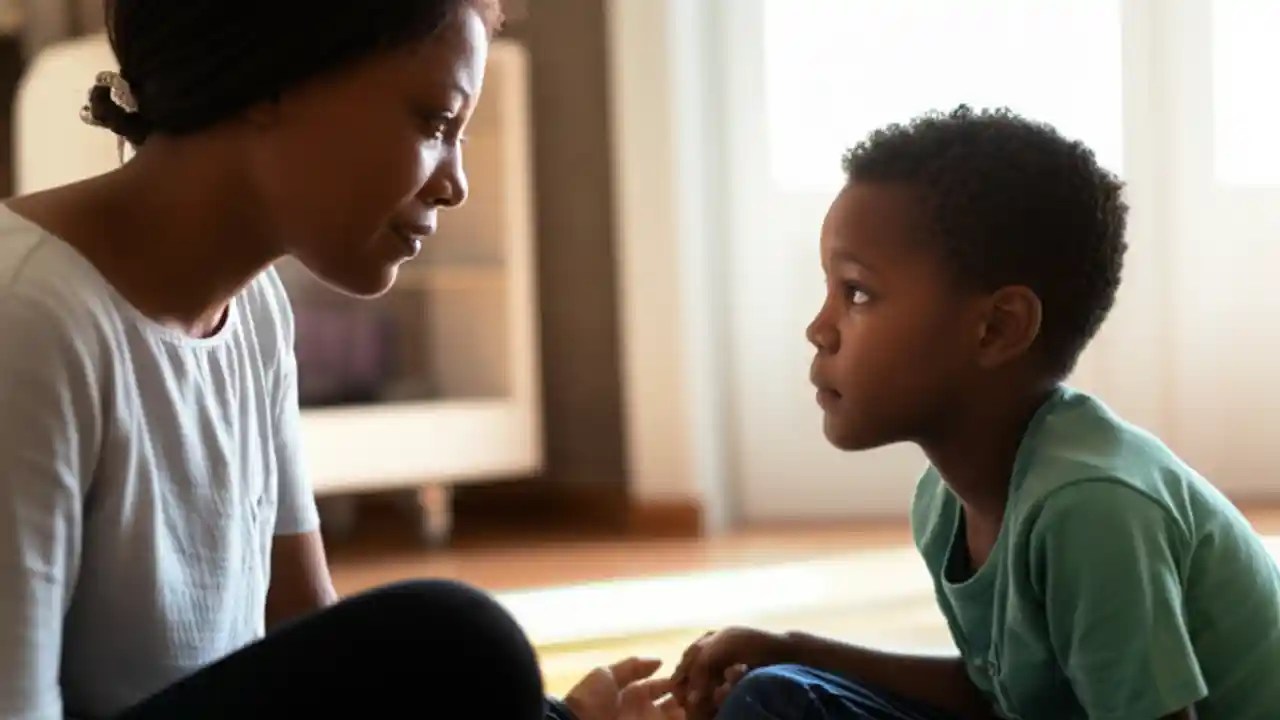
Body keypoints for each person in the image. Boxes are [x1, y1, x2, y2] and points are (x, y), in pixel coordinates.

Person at [0, 1, 682, 718]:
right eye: (434, 123)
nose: (455, 184)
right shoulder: (28, 319)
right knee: (457, 642)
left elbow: (310, 636)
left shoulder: (256, 310)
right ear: (273, 78)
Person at [672, 106, 1280, 720]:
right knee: (778, 694)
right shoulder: (944, 502)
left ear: (995, 328)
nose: (818, 329)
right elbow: (1002, 697)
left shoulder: (1090, 507)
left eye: (856, 292)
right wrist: (792, 649)